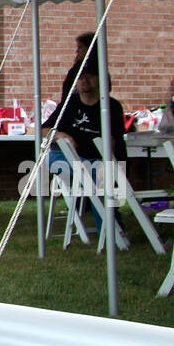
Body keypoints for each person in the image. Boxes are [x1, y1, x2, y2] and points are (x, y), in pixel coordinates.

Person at [50, 61, 130, 249]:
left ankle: (111, 233)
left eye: (90, 75)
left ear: (102, 80)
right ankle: (114, 231)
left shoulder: (112, 107)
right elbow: (44, 129)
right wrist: (60, 134)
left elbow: (113, 142)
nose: (85, 80)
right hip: (66, 160)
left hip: (98, 162)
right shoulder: (69, 105)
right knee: (95, 175)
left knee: (98, 178)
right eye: (81, 76)